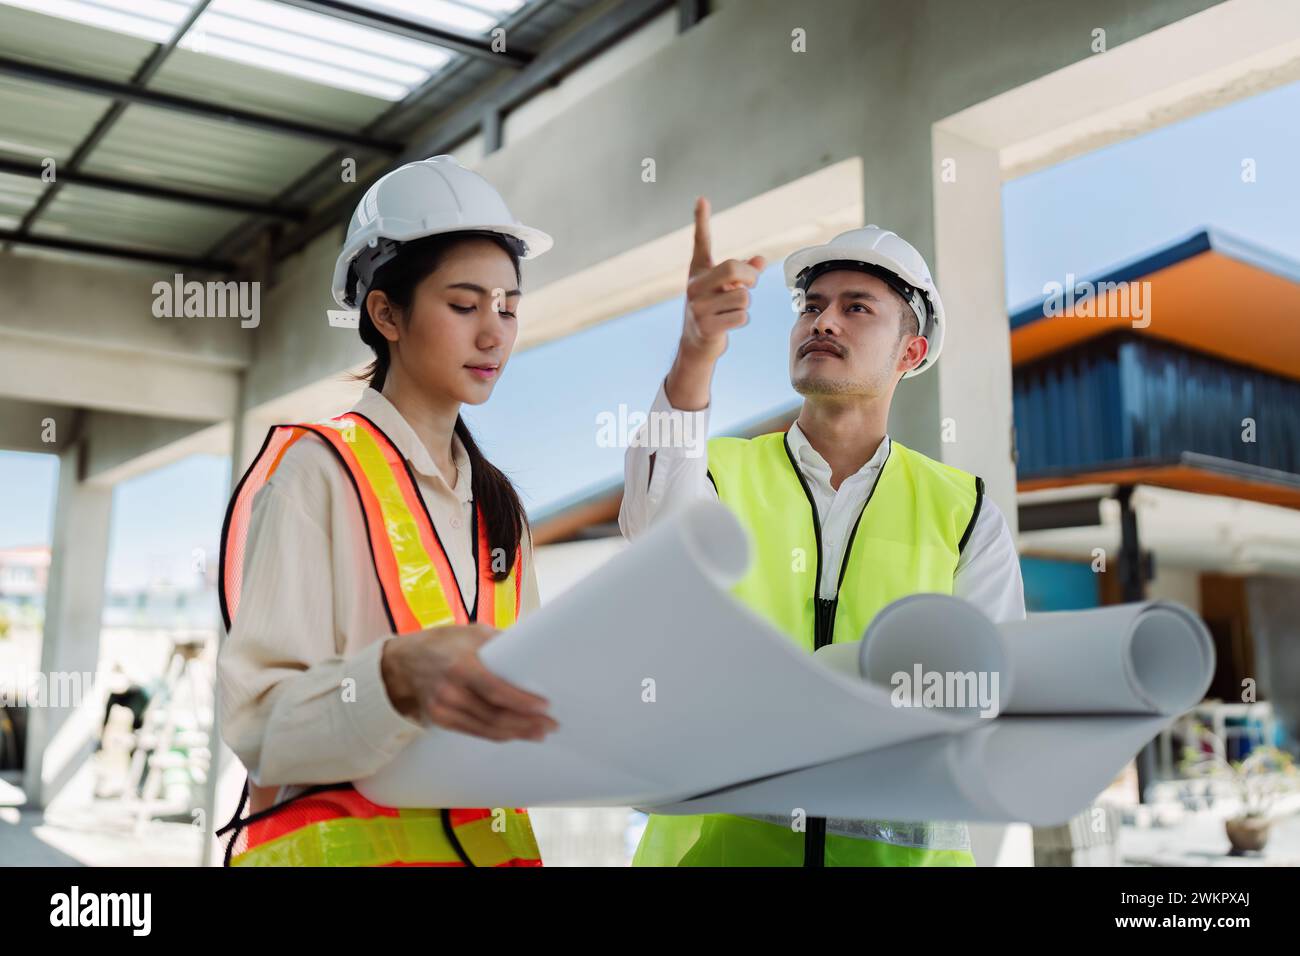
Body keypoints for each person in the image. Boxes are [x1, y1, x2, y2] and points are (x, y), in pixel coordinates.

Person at [620, 198, 1027, 867]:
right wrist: (696, 351)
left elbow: (990, 705)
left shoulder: (964, 511)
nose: (824, 321)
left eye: (856, 307)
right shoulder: (722, 472)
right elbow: (652, 520)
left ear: (912, 350)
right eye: (812, 306)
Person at [216, 156, 557, 867]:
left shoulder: (499, 508)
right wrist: (394, 680)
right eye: (465, 305)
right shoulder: (318, 471)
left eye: (509, 307)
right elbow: (259, 723)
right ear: (386, 313)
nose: (495, 333)